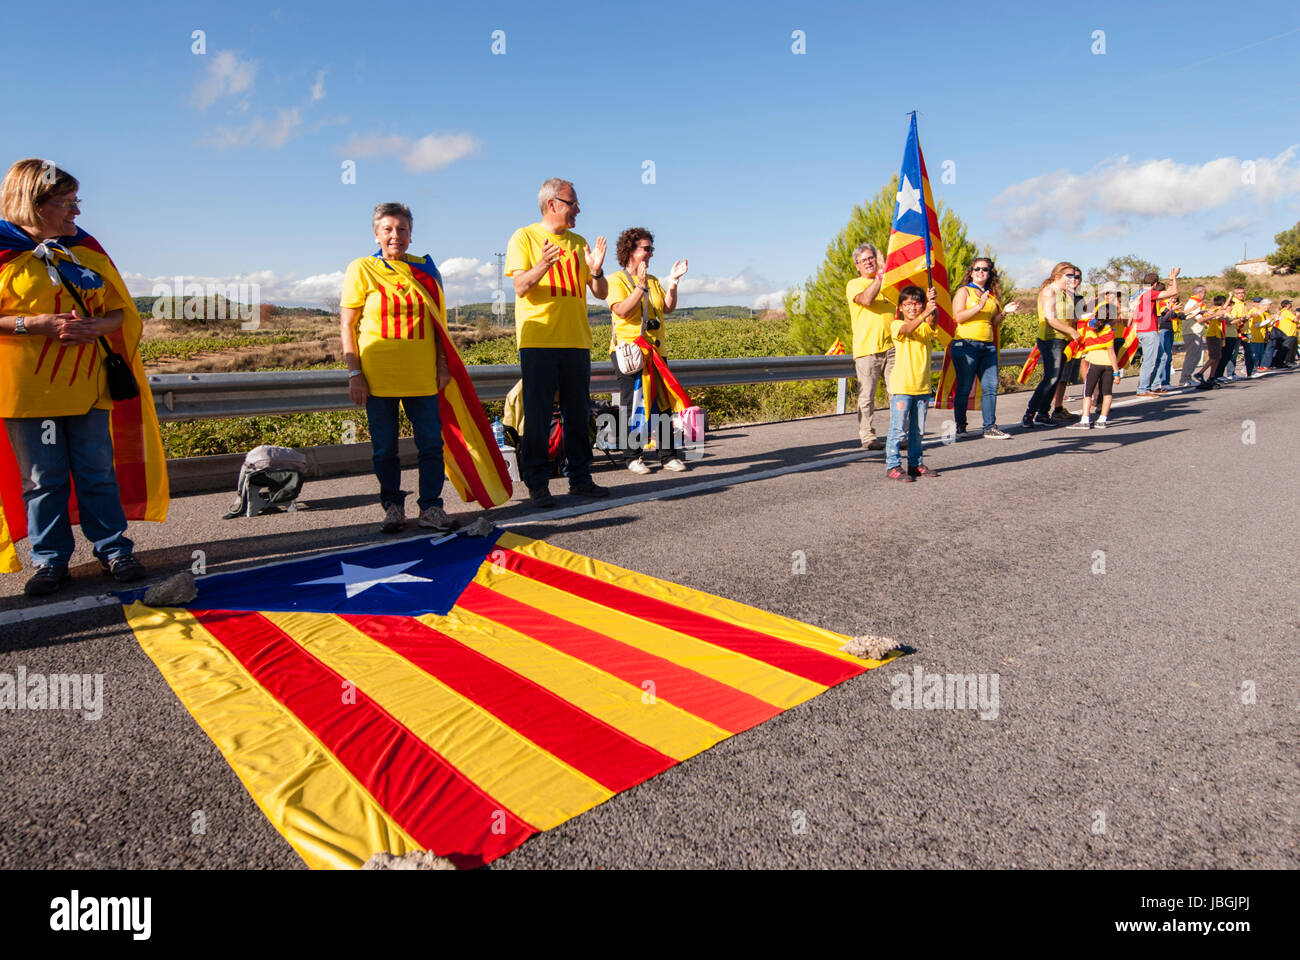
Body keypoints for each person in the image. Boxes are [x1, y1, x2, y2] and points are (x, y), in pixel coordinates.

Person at [0, 159, 150, 595]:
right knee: (42, 480)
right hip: (27, 392)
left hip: (87, 385)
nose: (77, 212)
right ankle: (50, 562)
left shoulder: (84, 247)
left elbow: (122, 311)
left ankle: (114, 550)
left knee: (97, 470)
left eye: (76, 201)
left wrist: (96, 326)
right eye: (66, 203)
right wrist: (36, 325)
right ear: (33, 203)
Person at [340, 202, 468, 534]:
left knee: (430, 444)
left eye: (402, 229)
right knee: (385, 448)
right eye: (388, 229)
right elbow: (347, 326)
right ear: (376, 233)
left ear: (411, 235)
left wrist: (442, 365)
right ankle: (393, 507)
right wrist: (355, 373)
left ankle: (430, 507)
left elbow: (439, 324)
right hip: (377, 376)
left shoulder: (425, 270)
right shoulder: (361, 268)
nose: (395, 235)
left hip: (422, 375)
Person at [506, 178, 610, 508]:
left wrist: (595, 271)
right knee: (537, 414)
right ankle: (537, 483)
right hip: (538, 341)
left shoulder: (579, 242)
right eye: (572, 203)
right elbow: (520, 286)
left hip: (576, 340)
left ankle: (580, 478)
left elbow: (602, 293)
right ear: (553, 204)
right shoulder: (524, 237)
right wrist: (543, 264)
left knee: (577, 413)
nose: (578, 209)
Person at [606, 227, 689, 474]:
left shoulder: (653, 280)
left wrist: (673, 283)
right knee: (635, 405)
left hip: (655, 351)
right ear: (630, 251)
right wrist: (640, 287)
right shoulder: (616, 280)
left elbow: (667, 308)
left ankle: (668, 456)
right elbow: (621, 310)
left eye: (652, 248)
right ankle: (632, 456)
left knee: (662, 403)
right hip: (631, 352)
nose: (651, 253)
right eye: (646, 249)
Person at [950, 257, 1018, 440]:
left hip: (988, 346)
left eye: (985, 269)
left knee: (991, 386)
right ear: (971, 272)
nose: (981, 272)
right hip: (966, 344)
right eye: (977, 268)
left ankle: (989, 426)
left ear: (990, 273)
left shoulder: (991, 297)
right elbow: (959, 317)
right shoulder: (964, 291)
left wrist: (1004, 312)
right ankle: (961, 426)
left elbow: (994, 322)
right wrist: (979, 306)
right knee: (965, 387)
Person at [845, 243, 896, 450]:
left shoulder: (889, 283)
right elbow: (866, 299)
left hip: (892, 347)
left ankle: (898, 434)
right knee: (867, 396)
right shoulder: (855, 284)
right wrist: (881, 276)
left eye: (871, 258)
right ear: (857, 265)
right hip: (867, 349)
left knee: (897, 394)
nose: (868, 262)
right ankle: (867, 437)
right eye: (863, 260)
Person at [885, 285, 938, 481]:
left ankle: (915, 463)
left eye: (916, 304)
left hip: (922, 386)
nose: (912, 308)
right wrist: (925, 311)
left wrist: (934, 302)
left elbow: (932, 321)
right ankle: (893, 465)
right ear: (900, 307)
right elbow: (908, 329)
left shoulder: (925, 325)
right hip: (902, 387)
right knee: (898, 429)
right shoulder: (896, 325)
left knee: (918, 430)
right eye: (907, 304)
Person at [1023, 262, 1083, 428]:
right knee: (1051, 377)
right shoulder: (1050, 291)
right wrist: (1071, 331)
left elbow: (1068, 317)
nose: (1073, 279)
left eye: (1075, 276)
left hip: (1062, 339)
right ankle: (1030, 412)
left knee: (1055, 379)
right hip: (1051, 339)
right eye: (1069, 276)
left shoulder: (1064, 293)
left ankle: (1043, 413)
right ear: (1058, 276)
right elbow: (1051, 318)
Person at [1067, 313, 1122, 430]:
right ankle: (1102, 420)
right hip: (1108, 365)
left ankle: (1085, 420)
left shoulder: (1090, 329)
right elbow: (1111, 354)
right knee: (1107, 393)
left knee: (1087, 393)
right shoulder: (1109, 331)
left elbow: (1081, 322)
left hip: (1094, 364)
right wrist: (1116, 372)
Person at [1132, 268, 1179, 397]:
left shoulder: (1142, 294)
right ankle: (1143, 388)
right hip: (1148, 331)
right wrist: (1174, 278)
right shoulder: (1149, 293)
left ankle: (1154, 385)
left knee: (1162, 357)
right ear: (1155, 284)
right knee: (1150, 360)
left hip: (1146, 329)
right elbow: (1173, 292)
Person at [1194, 296, 1228, 390]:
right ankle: (1200, 373)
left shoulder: (1215, 310)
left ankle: (1212, 377)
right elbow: (1223, 309)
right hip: (1213, 335)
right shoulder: (1216, 310)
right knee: (1213, 357)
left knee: (1218, 357)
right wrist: (1230, 296)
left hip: (1217, 335)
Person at [1177, 285, 1208, 387]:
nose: (1205, 294)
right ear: (1199, 293)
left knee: (1196, 356)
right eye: (1204, 292)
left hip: (1197, 332)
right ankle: (1184, 379)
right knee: (1191, 357)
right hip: (1192, 332)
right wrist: (1213, 316)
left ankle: (1188, 377)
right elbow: (1199, 319)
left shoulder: (1197, 303)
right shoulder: (1193, 303)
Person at [1214, 286, 1247, 382]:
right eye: (1230, 306)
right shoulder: (1224, 314)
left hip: (1233, 335)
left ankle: (1221, 374)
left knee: (1228, 356)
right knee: (1225, 356)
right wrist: (1241, 319)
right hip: (1227, 336)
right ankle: (1218, 374)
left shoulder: (1231, 314)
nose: (1232, 307)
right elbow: (1229, 322)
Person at [1153, 290, 1179, 391]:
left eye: (1175, 298)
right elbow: (1163, 318)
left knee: (1168, 357)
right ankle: (1163, 381)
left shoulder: (1170, 305)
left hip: (1170, 330)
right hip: (1163, 331)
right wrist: (1172, 310)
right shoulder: (1162, 304)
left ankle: (1165, 381)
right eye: (1172, 297)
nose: (1174, 299)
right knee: (1165, 357)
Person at [1262, 299, 1296, 368]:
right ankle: (1278, 363)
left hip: (1280, 332)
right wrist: (1297, 315)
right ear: (1288, 305)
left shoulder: (1281, 312)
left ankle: (1275, 363)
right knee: (1282, 350)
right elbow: (1295, 319)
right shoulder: (1286, 312)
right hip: (1287, 333)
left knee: (1276, 349)